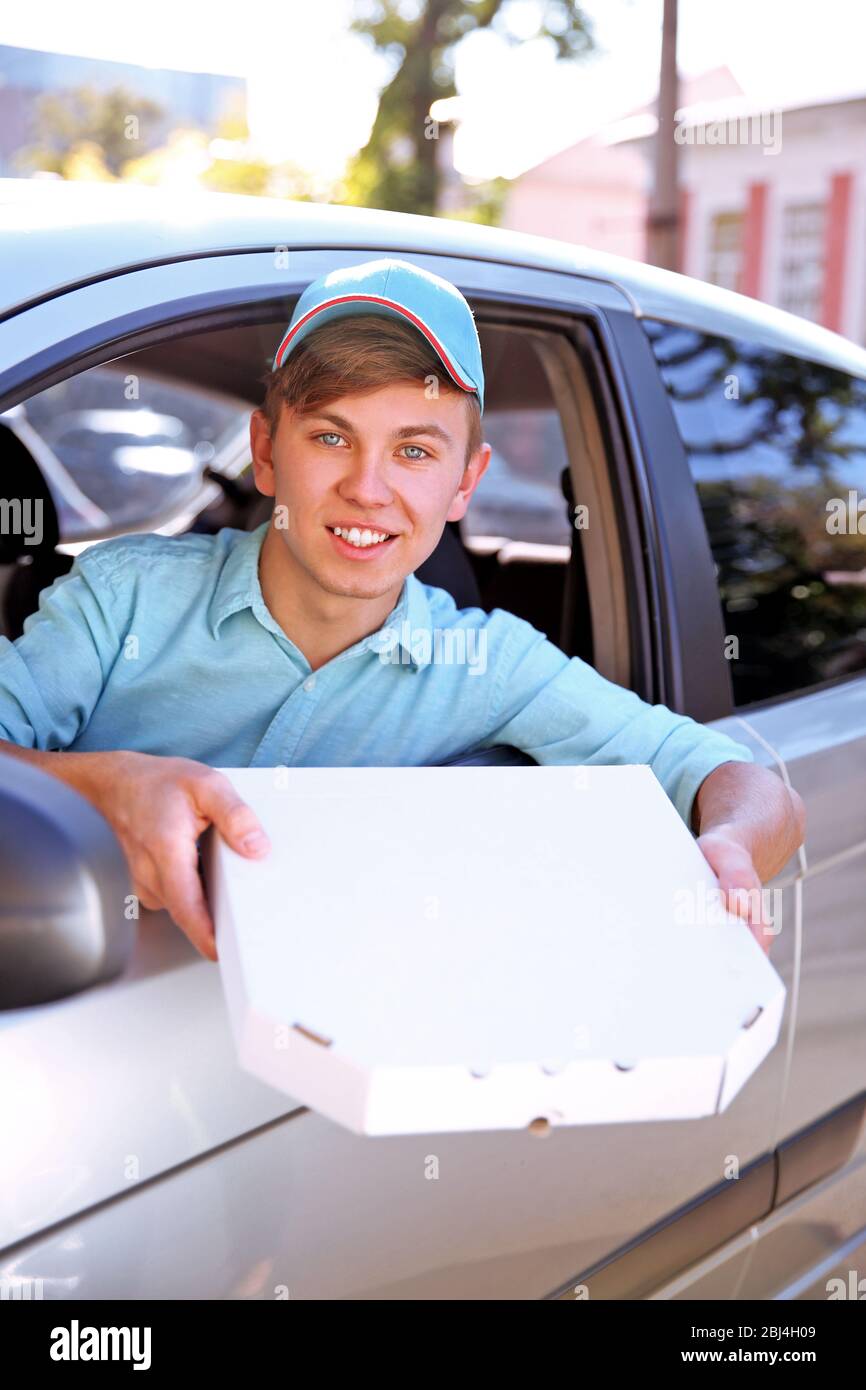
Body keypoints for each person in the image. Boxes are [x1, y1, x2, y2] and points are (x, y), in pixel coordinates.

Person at [0, 257, 805, 961]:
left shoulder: (492, 667)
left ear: (465, 482)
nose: (368, 488)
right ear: (266, 451)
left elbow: (752, 788)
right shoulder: (121, 598)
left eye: (414, 451)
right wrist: (99, 789)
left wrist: (731, 847)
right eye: (330, 437)